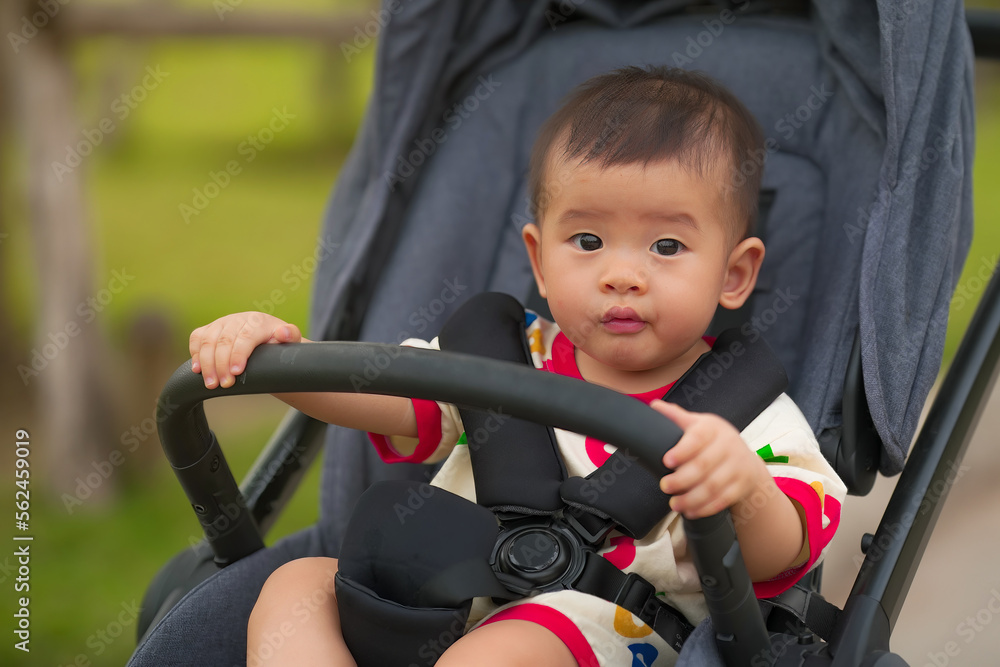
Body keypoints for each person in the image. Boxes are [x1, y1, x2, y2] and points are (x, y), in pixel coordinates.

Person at [189, 65, 846, 667]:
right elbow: (381, 395)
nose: (622, 274)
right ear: (538, 258)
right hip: (449, 588)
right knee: (295, 587)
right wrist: (279, 356)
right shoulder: (506, 358)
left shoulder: (742, 411)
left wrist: (742, 488)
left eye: (666, 245)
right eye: (587, 241)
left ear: (734, 274)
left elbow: (787, 548)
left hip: (611, 625)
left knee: (494, 657)